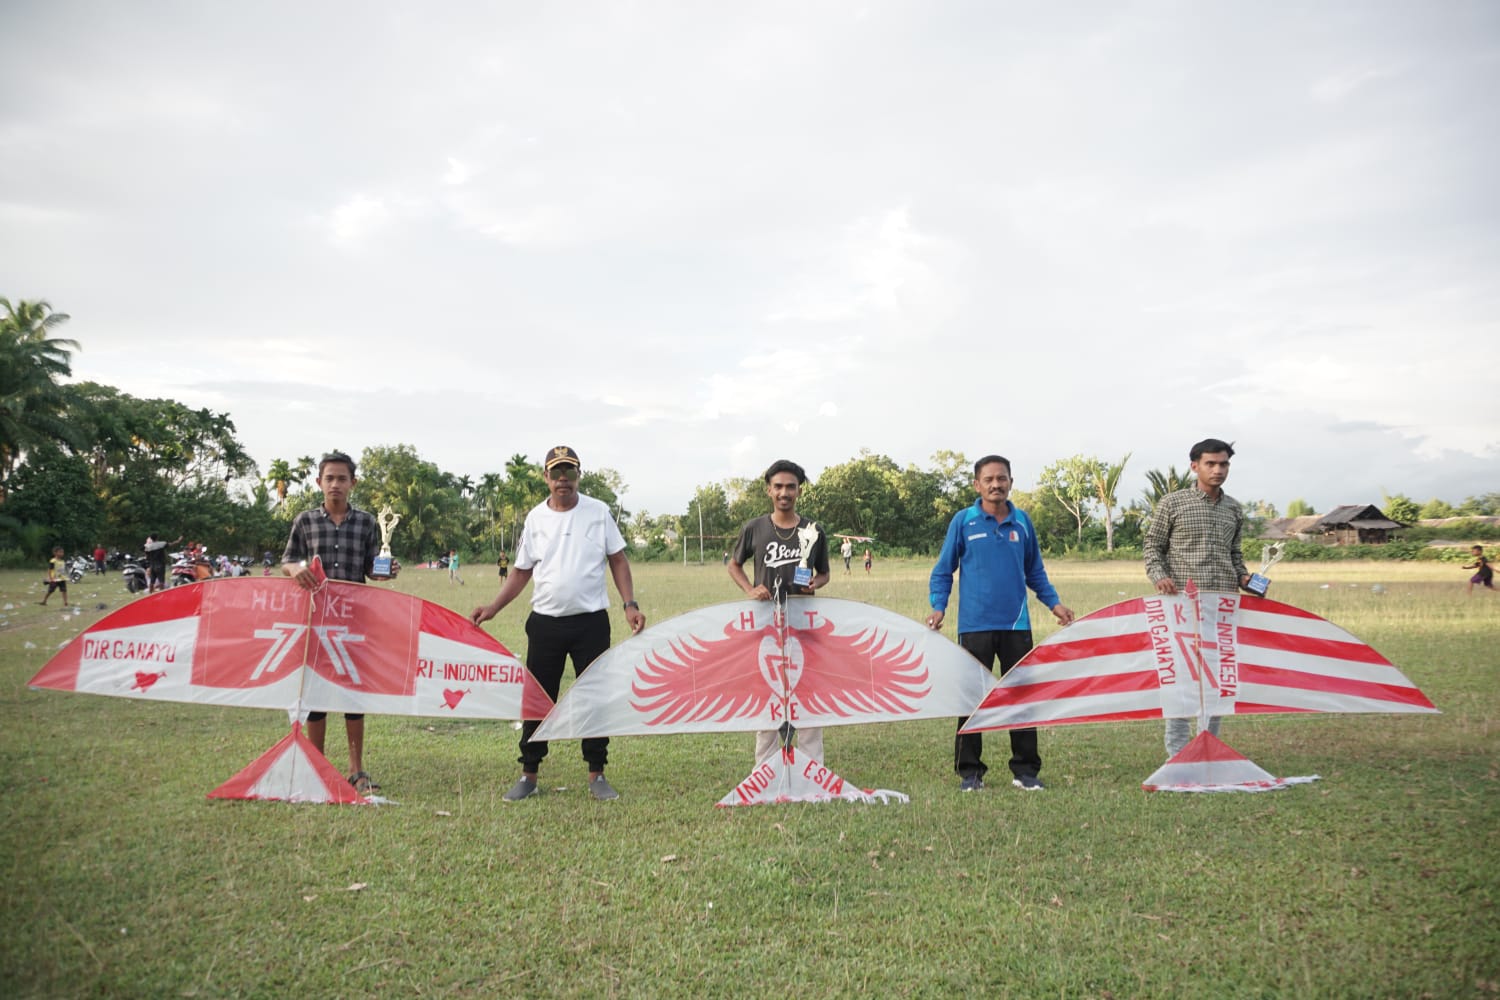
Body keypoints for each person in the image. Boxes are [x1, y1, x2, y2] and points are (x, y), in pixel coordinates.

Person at [471, 446, 646, 802]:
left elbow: (619, 560)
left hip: (591, 624)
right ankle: (529, 774)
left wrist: (630, 604)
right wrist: (493, 607)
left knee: (594, 697)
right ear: (546, 477)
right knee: (537, 699)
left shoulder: (598, 513)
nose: (563, 479)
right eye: (556, 472)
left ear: (578, 475)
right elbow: (521, 571)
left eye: (569, 471)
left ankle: (597, 774)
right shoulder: (536, 518)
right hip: (545, 624)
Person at [927, 455, 1074, 791]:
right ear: (977, 485)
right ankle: (970, 773)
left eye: (1002, 478)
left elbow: (1035, 570)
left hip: (1016, 626)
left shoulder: (1022, 522)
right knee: (972, 699)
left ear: (1011, 482)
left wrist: (1055, 604)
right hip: (974, 626)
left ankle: (1025, 772)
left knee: (1021, 697)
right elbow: (943, 569)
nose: (996, 485)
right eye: (989, 479)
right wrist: (939, 607)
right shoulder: (964, 521)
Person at [282, 450, 399, 794]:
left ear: (353, 483)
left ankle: (356, 769)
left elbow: (369, 566)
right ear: (319, 482)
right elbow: (289, 560)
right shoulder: (305, 521)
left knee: (351, 694)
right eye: (329, 478)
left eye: (342, 478)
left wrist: (384, 570)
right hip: (315, 620)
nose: (335, 484)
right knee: (317, 692)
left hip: (353, 622)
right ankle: (316, 765)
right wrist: (295, 570)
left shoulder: (365, 523)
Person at [1144, 437, 1251, 758]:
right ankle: (1178, 752)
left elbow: (1235, 554)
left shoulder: (1234, 509)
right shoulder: (1172, 504)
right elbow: (1152, 547)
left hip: (1222, 610)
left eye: (1224, 464)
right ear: (1195, 466)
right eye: (1211, 464)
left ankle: (1209, 745)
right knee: (1180, 682)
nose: (1218, 470)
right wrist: (1159, 575)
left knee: (1218, 681)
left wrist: (1245, 576)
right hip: (1181, 610)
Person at [727, 459, 831, 766]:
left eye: (790, 486)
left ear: (799, 490)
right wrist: (749, 589)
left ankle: (813, 767)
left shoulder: (813, 529)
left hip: (804, 625)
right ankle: (765, 769)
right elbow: (734, 564)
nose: (784, 492)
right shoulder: (755, 528)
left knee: (808, 695)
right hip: (766, 627)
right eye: (778, 486)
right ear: (768, 490)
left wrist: (816, 583)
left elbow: (824, 573)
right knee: (768, 696)